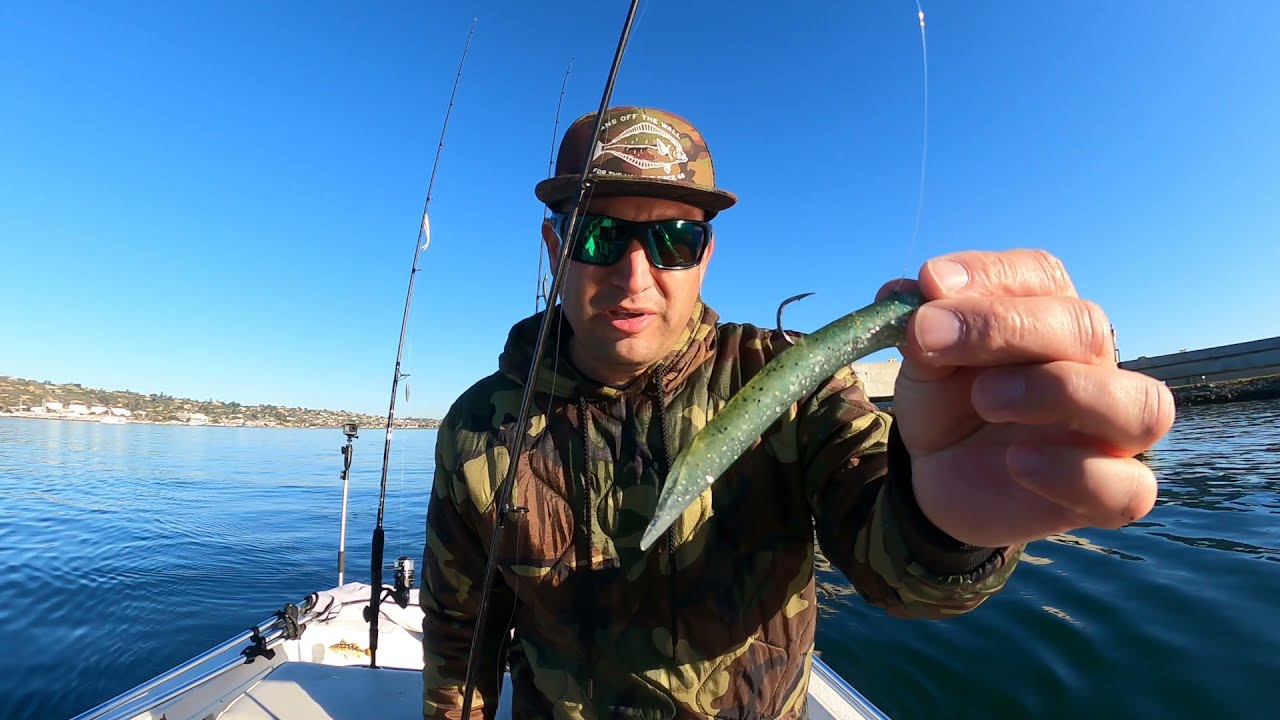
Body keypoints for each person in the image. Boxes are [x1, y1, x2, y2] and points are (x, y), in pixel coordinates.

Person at [420, 106, 1175, 719]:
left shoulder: (792, 383)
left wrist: (944, 529)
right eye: (600, 233)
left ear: (705, 257)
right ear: (556, 249)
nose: (635, 271)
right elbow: (463, 637)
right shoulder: (478, 427)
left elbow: (898, 575)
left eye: (675, 239)